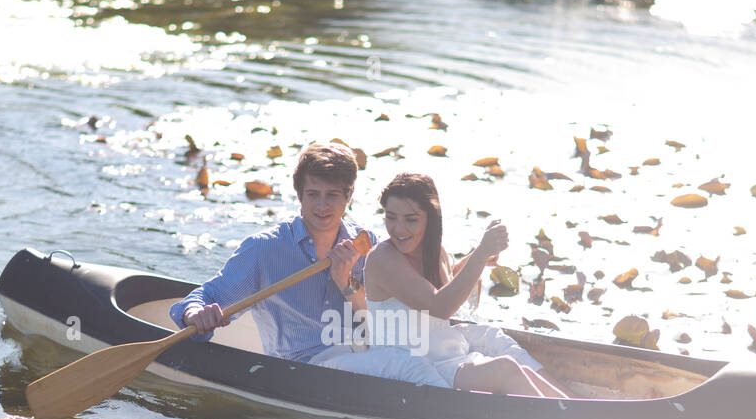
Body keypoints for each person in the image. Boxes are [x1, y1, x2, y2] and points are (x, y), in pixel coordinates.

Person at [170, 143, 452, 386]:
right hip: (303, 371)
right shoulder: (264, 249)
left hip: (365, 356)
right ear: (299, 194)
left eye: (332, 195)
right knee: (408, 364)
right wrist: (195, 313)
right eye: (313, 194)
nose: (322, 205)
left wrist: (349, 282)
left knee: (444, 350)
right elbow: (204, 296)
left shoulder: (367, 244)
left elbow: (386, 316)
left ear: (349, 196)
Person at [362, 172, 568, 397]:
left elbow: (443, 286)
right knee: (506, 369)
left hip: (444, 355)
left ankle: (576, 410)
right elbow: (439, 306)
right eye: (391, 217)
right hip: (407, 364)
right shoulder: (382, 258)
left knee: (520, 366)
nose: (399, 229)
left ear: (430, 218)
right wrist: (480, 255)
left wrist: (476, 257)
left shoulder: (435, 252)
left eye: (410, 219)